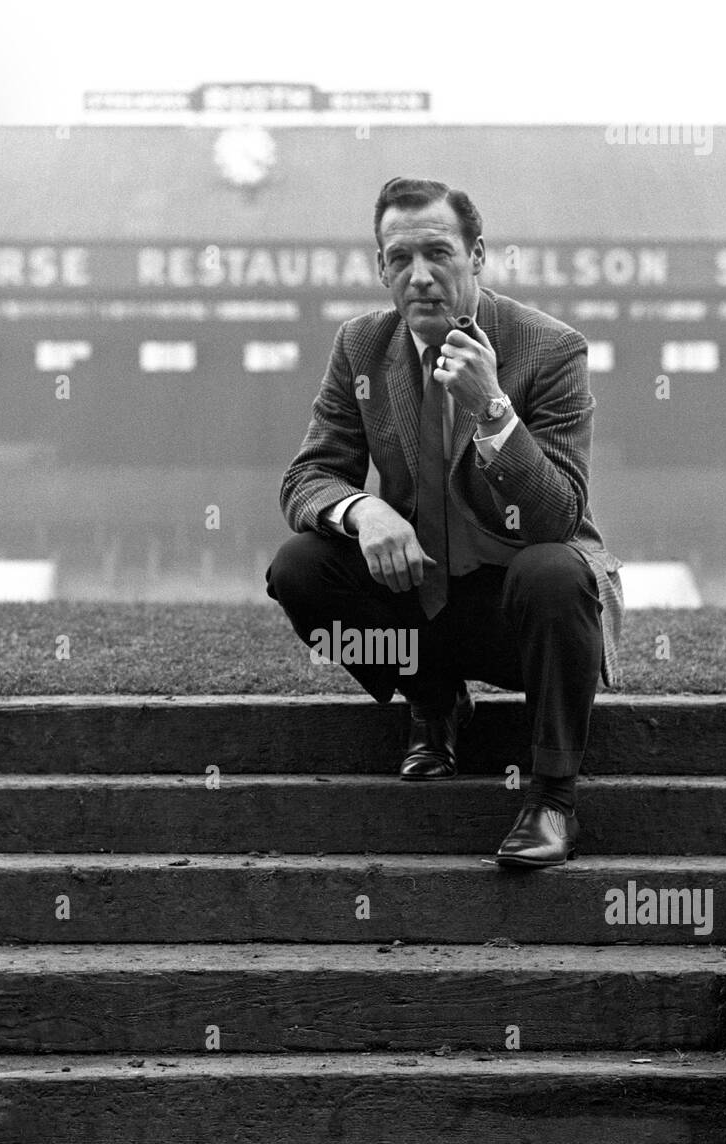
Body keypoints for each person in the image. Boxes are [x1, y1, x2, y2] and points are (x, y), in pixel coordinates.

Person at [267, 177, 624, 867]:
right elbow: (306, 477)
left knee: (552, 569)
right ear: (380, 268)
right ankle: (433, 700)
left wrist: (492, 409)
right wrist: (361, 508)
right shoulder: (361, 346)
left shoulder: (549, 349)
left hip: (529, 617)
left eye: (438, 253)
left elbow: (556, 517)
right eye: (399, 258)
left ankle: (552, 799)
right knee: (300, 566)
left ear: (477, 255)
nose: (420, 276)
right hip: (423, 600)